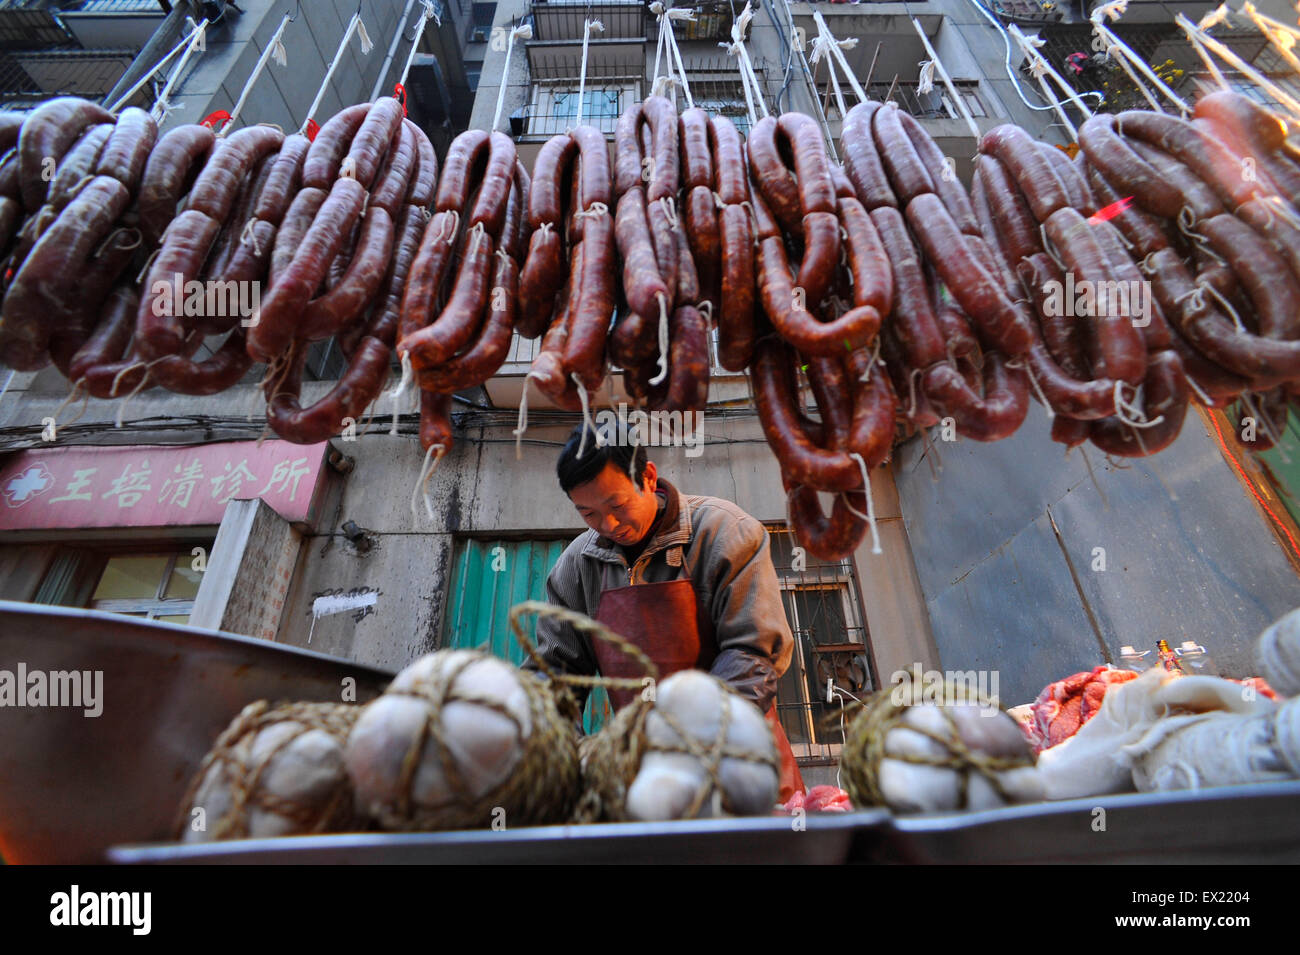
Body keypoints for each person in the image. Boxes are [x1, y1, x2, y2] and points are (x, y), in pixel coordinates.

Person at [527, 422, 805, 803]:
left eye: (617, 506)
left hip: (742, 761)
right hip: (642, 778)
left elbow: (752, 653)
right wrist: (569, 758)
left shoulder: (725, 532)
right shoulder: (576, 566)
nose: (608, 525)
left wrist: (689, 744)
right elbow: (554, 677)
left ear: (648, 476)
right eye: (588, 513)